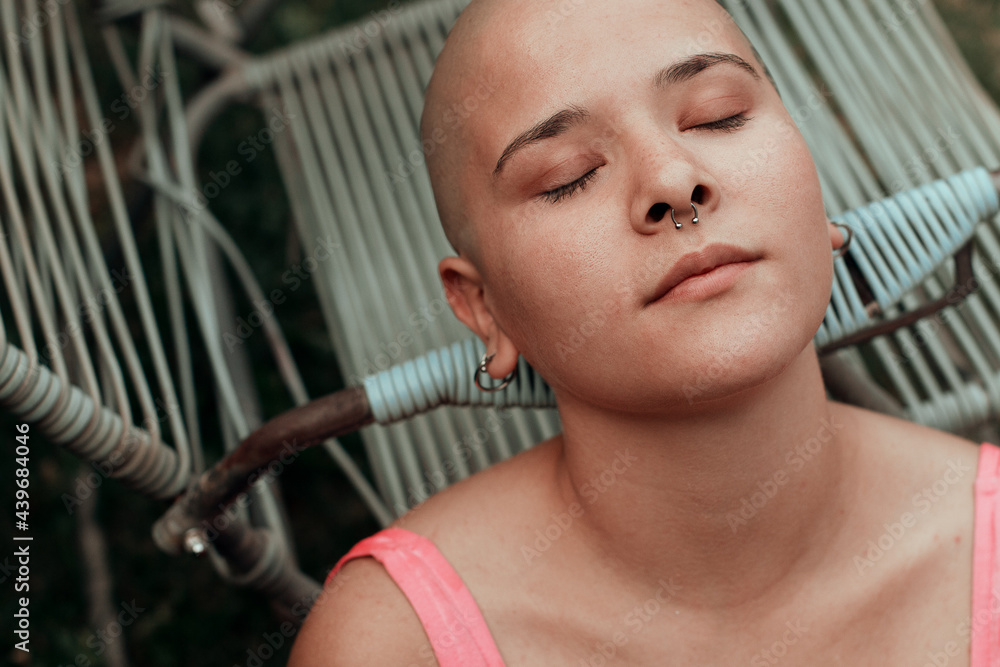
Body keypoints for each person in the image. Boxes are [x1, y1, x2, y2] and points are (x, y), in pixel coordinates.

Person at [288, 0, 999, 664]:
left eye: (718, 116)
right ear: (484, 307)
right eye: (568, 177)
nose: (671, 180)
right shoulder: (394, 642)